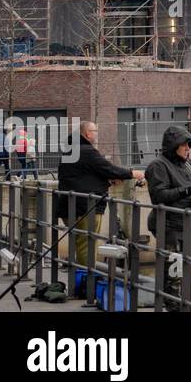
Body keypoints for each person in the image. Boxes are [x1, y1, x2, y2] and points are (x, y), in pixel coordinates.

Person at [56, 121, 146, 293]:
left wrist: (106, 181)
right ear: (87, 133)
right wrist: (131, 173)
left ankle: (80, 282)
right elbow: (107, 167)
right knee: (86, 245)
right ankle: (84, 287)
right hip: (85, 207)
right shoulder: (87, 151)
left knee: (79, 243)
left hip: (69, 205)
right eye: (95, 130)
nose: (97, 133)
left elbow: (83, 175)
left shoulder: (71, 150)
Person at [144, 125, 191, 308]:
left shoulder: (189, 164)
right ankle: (173, 307)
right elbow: (159, 196)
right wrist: (187, 191)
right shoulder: (157, 166)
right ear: (174, 146)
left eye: (190, 144)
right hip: (168, 226)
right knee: (173, 275)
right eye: (184, 145)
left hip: (190, 224)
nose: (188, 148)